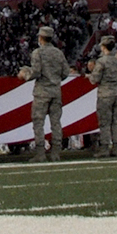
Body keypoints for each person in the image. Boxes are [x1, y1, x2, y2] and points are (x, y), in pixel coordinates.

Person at [20, 27, 68, 161]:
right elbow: (65, 72)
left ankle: (40, 153)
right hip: (56, 91)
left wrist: (25, 74)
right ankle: (56, 153)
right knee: (56, 122)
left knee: (38, 122)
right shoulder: (58, 53)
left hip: (42, 92)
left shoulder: (38, 53)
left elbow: (36, 72)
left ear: (40, 38)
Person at [88, 35, 117, 156]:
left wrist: (90, 75)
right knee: (116, 122)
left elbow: (94, 79)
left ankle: (104, 148)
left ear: (103, 47)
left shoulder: (101, 61)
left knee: (104, 122)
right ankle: (116, 147)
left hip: (105, 94)